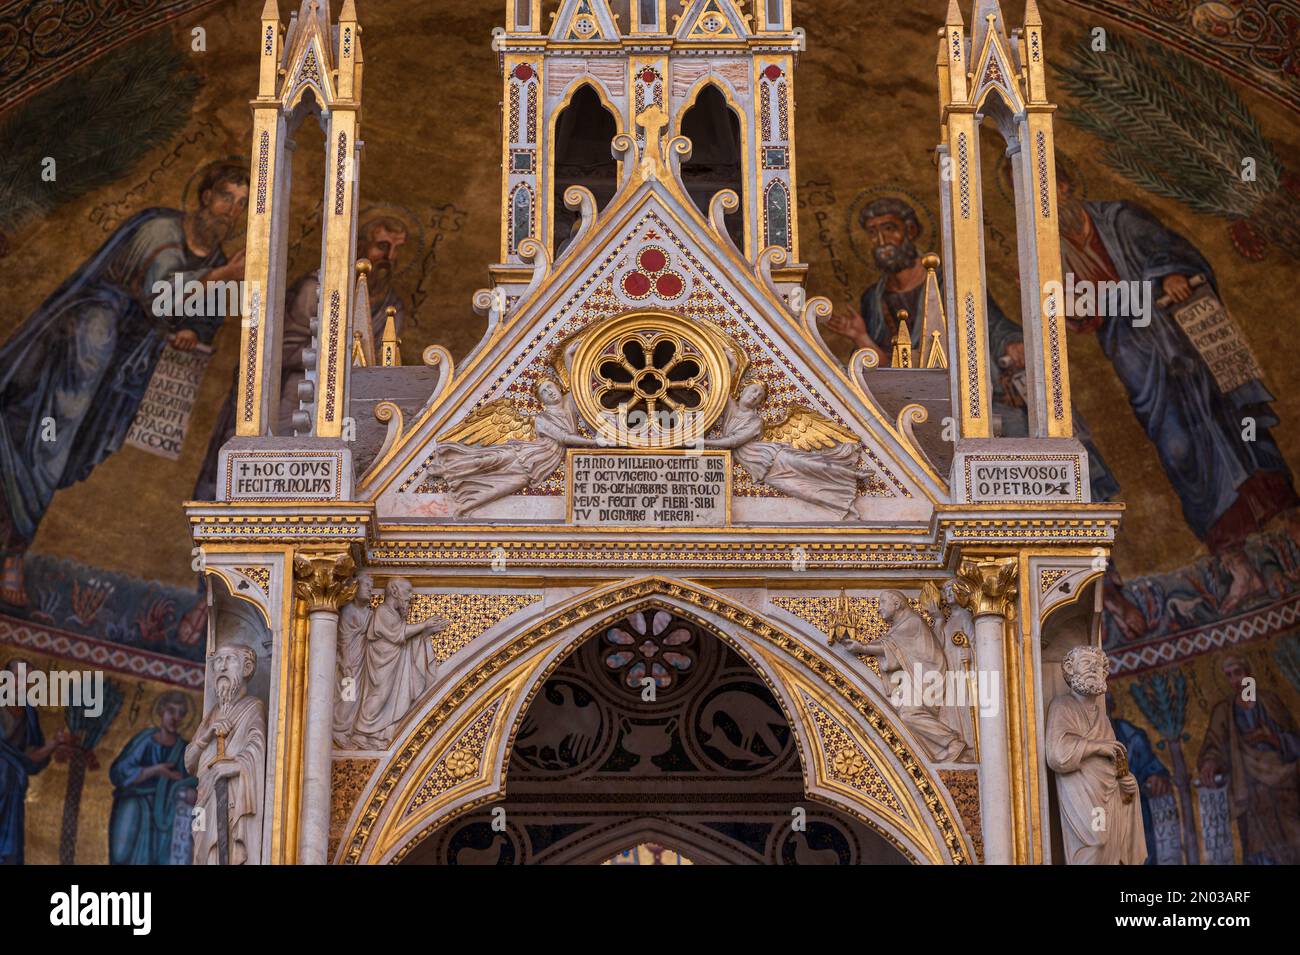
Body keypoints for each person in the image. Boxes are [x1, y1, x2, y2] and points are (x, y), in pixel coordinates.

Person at [0, 162, 248, 604]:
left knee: (77, 452)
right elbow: (158, 293)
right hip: (82, 348)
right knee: (47, 445)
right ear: (206, 194)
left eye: (244, 205)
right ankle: (13, 555)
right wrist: (219, 278)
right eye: (227, 197)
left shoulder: (215, 260)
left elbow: (205, 316)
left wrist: (195, 330)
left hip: (123, 370)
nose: (232, 210)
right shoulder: (160, 228)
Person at [1055, 165, 1296, 549]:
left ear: (1065, 184)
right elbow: (1080, 313)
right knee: (1177, 444)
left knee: (1231, 414)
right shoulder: (1052, 256)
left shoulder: (1121, 217)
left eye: (1046, 189)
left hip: (1182, 333)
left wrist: (1170, 274)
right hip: (1137, 358)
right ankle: (1228, 547)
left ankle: (1287, 516)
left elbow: (1167, 250)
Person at [825, 196, 1117, 501]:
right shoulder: (874, 298)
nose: (882, 240)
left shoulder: (951, 282)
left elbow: (993, 325)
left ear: (910, 230)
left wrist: (1011, 343)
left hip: (976, 401)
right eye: (873, 233)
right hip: (922, 414)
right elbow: (887, 368)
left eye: (889, 228)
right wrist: (860, 336)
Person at [193, 217, 408, 499]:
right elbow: (278, 350)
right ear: (360, 244)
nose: (389, 258)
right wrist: (333, 354)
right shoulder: (315, 288)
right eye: (383, 246)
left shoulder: (392, 307)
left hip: (347, 419)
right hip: (292, 404)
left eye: (396, 250)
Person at [1046, 646, 1146, 864]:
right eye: (1086, 664)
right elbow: (1057, 754)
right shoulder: (1062, 706)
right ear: (1070, 669)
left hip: (1106, 794)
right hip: (1080, 789)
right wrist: (1097, 747)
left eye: (1097, 666)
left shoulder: (1103, 717)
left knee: (1109, 846)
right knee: (1096, 842)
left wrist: (1127, 785)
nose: (1092, 669)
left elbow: (1111, 767)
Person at [1196, 655, 1300, 864]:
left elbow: (1295, 740)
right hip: (1249, 790)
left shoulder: (1270, 702)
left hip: (1283, 785)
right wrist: (1210, 762)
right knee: (1259, 850)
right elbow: (1214, 745)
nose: (1236, 680)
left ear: (1249, 672)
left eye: (1238, 673)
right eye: (1229, 676)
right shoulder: (1223, 711)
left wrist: (1272, 739)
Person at [346, 579, 447, 748]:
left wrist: (425, 632)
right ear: (394, 591)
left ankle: (378, 735)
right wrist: (424, 625)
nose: (411, 596)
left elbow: (404, 637)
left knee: (388, 698)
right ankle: (362, 731)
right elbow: (397, 634)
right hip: (381, 664)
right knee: (379, 696)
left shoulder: (394, 614)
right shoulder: (382, 611)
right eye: (407, 592)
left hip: (393, 663)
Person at [108, 691, 197, 865]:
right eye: (172, 711)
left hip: (169, 815)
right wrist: (157, 770)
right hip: (137, 807)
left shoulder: (185, 750)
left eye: (181, 713)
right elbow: (119, 773)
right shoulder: (146, 740)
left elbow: (195, 782)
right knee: (123, 852)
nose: (175, 718)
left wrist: (190, 793)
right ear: (161, 711)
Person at [0, 658, 75, 864]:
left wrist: (54, 744)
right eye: (18, 677)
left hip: (12, 790)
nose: (23, 683)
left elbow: (30, 758)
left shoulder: (28, 711)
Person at [1106, 692, 1171, 864]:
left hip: (1137, 816)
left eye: (1104, 708)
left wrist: (1155, 778)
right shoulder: (1086, 741)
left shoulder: (1132, 736)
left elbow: (1152, 768)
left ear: (1112, 708)